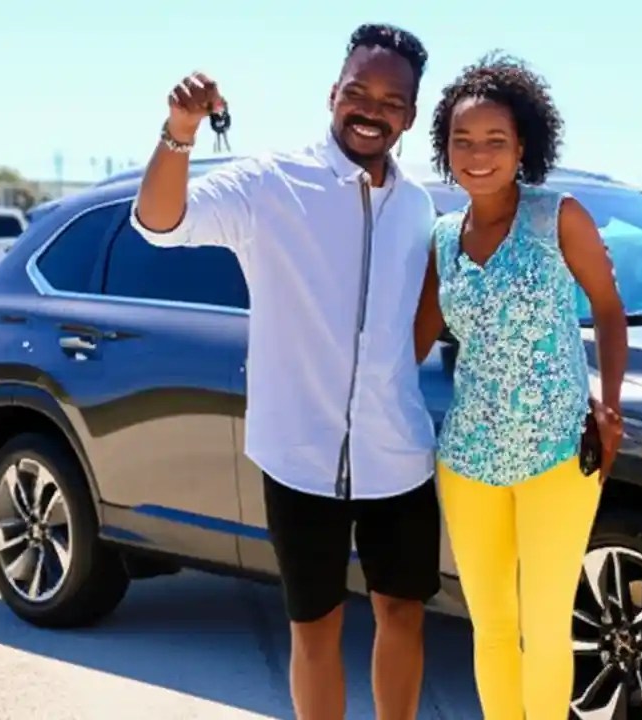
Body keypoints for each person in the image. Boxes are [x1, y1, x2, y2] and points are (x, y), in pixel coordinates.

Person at [132, 23, 440, 720]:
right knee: (316, 628)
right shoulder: (271, 183)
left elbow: (414, 316)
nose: (371, 109)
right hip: (298, 457)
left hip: (398, 456)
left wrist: (389, 376)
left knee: (403, 614)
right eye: (358, 91)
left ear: (410, 117)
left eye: (392, 100)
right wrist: (179, 131)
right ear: (333, 93)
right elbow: (160, 221)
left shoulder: (419, 206)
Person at [413, 53, 629, 720]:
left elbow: (609, 309)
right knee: (494, 627)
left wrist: (611, 405)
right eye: (462, 141)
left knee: (545, 621)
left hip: (558, 453)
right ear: (445, 149)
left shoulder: (558, 217)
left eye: (494, 141)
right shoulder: (442, 239)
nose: (477, 155)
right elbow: (412, 344)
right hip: (469, 458)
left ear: (523, 145)